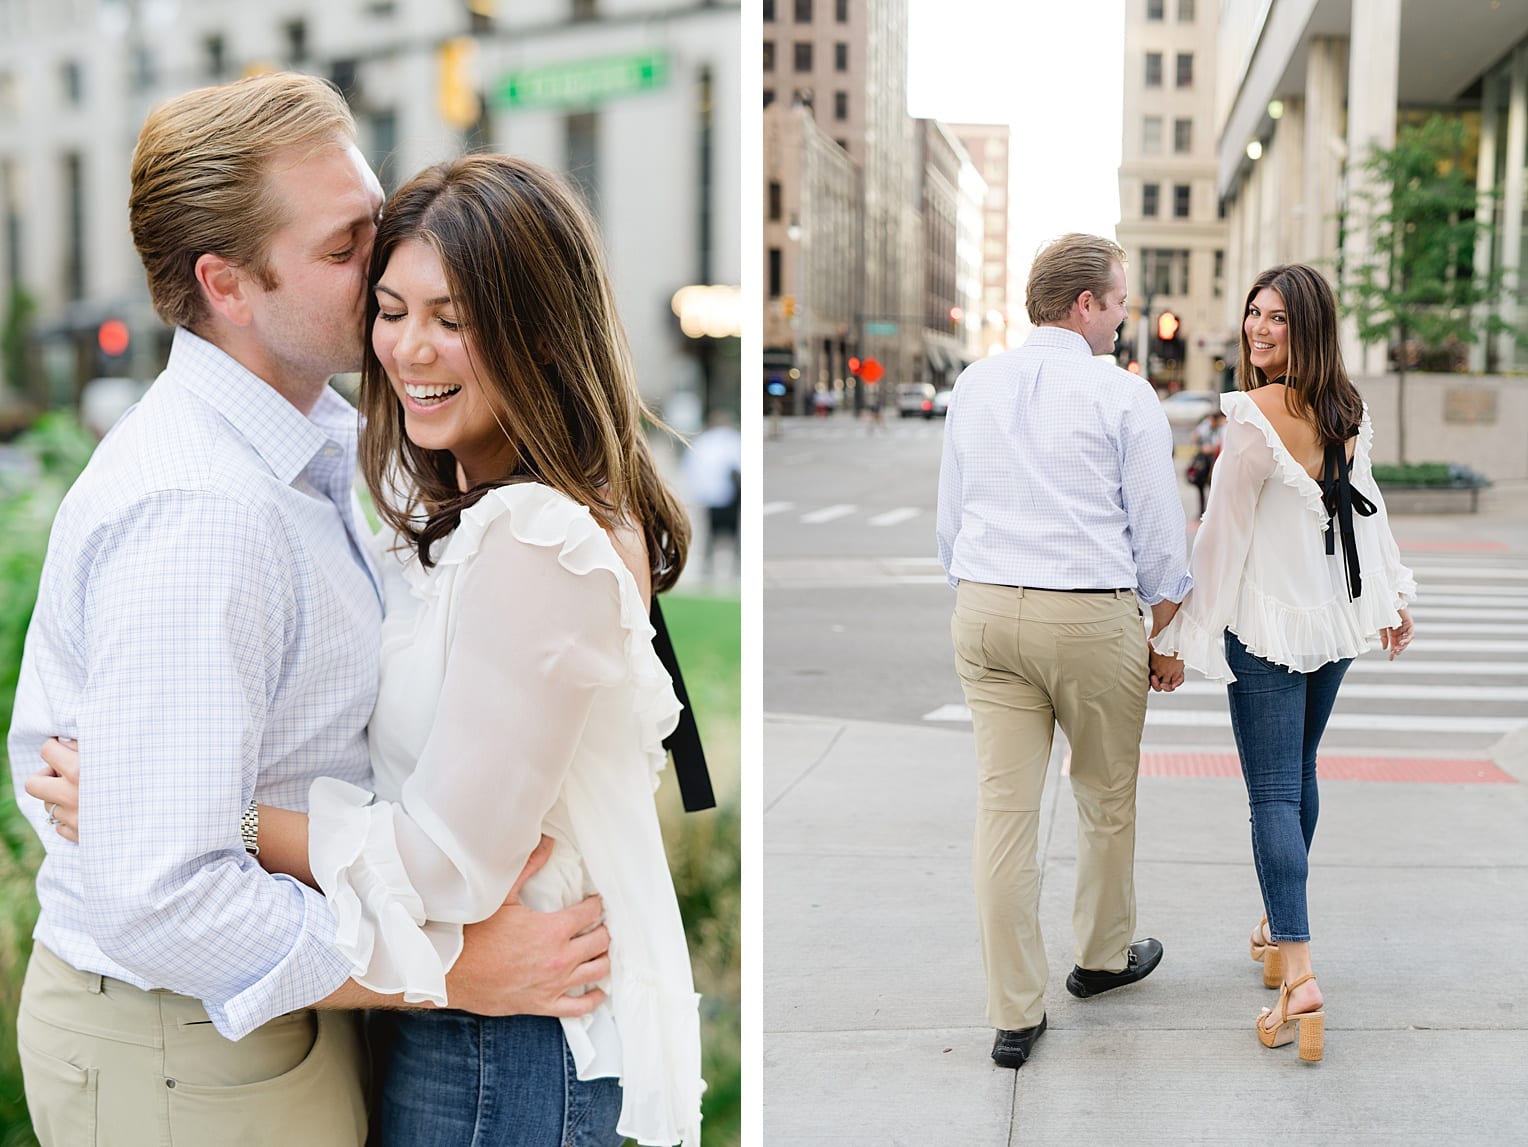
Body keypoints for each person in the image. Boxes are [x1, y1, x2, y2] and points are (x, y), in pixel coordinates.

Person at [37, 155, 705, 1147]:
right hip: (451, 1019)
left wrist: (201, 810)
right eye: (389, 307)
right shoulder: (465, 510)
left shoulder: (539, 539)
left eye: (453, 316)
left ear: (536, 327)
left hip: (510, 1046)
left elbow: (447, 869)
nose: (408, 349)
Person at [935, 233, 1191, 1070]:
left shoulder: (975, 384)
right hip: (1088, 614)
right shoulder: (1122, 394)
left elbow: (951, 520)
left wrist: (981, 588)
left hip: (985, 608)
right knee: (1106, 795)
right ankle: (1101, 957)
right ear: (1084, 304)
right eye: (1117, 302)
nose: (1124, 318)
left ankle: (1014, 1012)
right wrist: (1165, 628)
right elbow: (1159, 535)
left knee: (1004, 813)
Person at [1149, 264, 1416, 1063]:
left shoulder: (1254, 418)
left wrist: (1171, 639)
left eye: (1279, 320)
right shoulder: (1346, 406)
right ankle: (1277, 923)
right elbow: (1370, 506)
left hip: (1268, 621)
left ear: (1311, 328)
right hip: (1333, 617)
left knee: (1272, 790)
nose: (1262, 330)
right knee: (1298, 773)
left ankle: (1297, 969)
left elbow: (1219, 539)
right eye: (1255, 315)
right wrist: (1394, 594)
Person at [683, 409, 742, 579]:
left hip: (709, 497)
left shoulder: (702, 441)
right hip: (730, 495)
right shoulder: (731, 439)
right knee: (733, 533)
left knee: (710, 533)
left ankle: (707, 568)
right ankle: (734, 568)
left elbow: (690, 469)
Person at [1187, 409, 1226, 517]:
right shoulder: (1205, 427)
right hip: (1203, 460)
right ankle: (1202, 511)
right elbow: (1194, 436)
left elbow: (1220, 445)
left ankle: (1212, 511)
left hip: (1213, 460)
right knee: (1200, 486)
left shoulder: (1222, 429)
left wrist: (1211, 449)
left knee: (1213, 487)